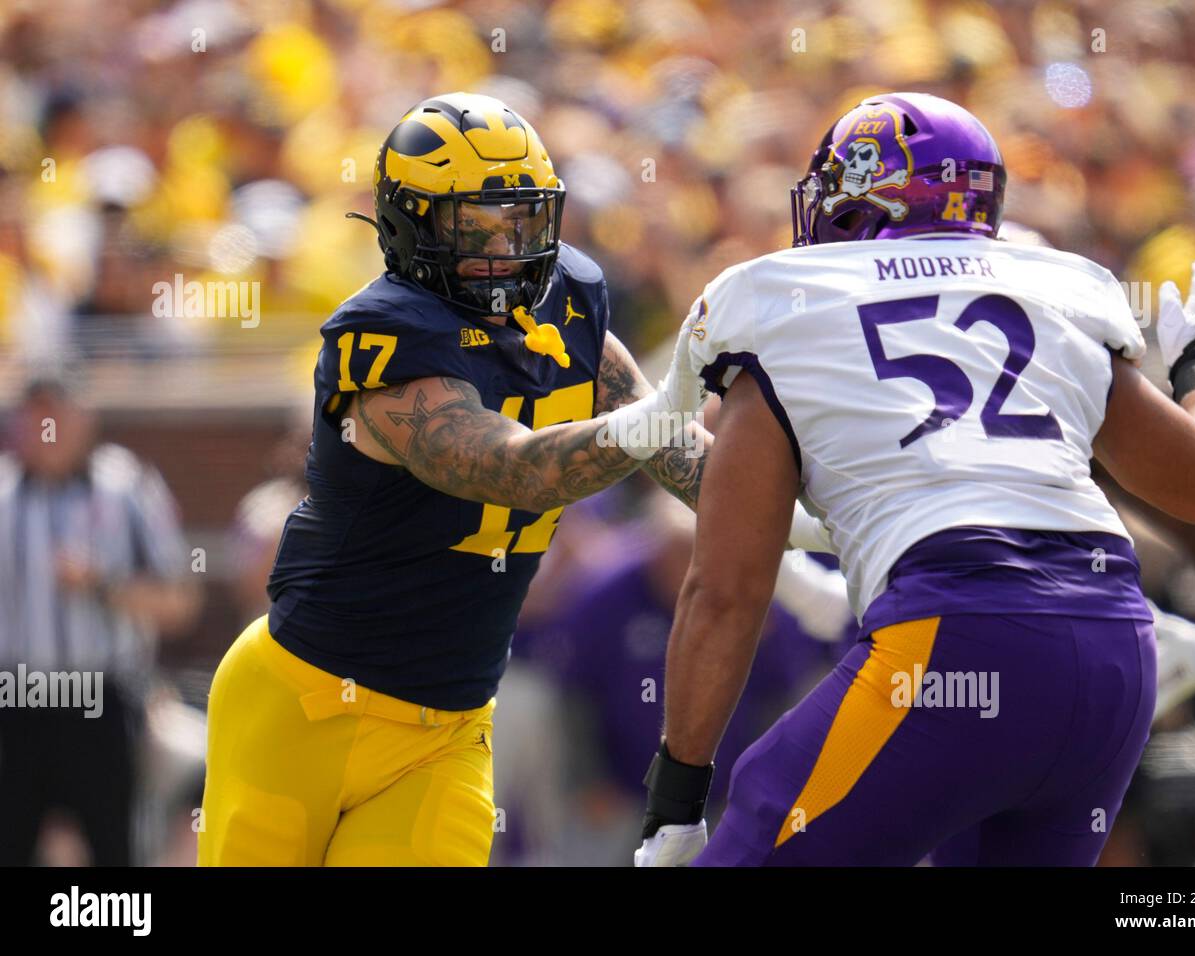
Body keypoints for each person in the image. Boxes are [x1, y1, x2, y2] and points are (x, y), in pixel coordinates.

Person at [198, 92, 825, 867]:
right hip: (303, 708)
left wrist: (818, 519)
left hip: (450, 725)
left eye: (520, 221)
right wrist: (667, 404)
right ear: (412, 223)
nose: (503, 247)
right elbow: (511, 468)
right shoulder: (385, 335)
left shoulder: (566, 300)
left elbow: (681, 458)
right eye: (475, 225)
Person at [635, 92, 1195, 867]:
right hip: (1111, 653)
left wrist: (676, 799)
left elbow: (725, 592)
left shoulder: (782, 311)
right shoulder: (1054, 293)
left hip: (951, 635)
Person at [0, 373, 198, 865]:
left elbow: (179, 601)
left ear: (84, 419)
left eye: (56, 415)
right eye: (34, 416)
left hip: (102, 699)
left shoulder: (126, 489)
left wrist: (103, 585)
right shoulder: (3, 495)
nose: (45, 429)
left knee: (115, 844)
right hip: (16, 697)